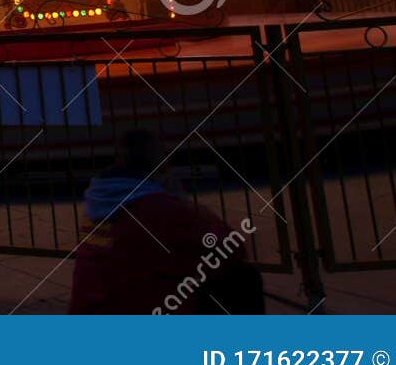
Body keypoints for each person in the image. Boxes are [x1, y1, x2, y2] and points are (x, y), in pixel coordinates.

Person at [69, 129, 264, 314]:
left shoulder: (99, 201)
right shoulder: (156, 207)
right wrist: (182, 201)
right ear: (162, 165)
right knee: (243, 279)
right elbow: (232, 248)